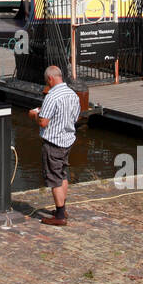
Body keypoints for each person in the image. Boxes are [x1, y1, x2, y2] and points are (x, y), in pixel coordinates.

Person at [28, 65, 81, 226]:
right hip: (68, 141)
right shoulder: (73, 94)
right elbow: (76, 118)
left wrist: (34, 114)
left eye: (46, 81)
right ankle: (62, 209)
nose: (47, 84)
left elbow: (43, 122)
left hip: (54, 143)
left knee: (54, 178)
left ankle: (59, 216)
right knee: (62, 174)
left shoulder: (52, 97)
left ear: (50, 79)